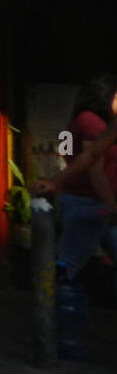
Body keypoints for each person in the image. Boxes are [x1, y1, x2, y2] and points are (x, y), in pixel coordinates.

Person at [54, 75, 117, 282]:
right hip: (90, 202)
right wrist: (109, 204)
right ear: (106, 96)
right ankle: (53, 307)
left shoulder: (78, 120)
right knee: (68, 264)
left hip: (88, 202)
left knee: (68, 262)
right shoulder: (92, 123)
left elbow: (64, 151)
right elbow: (94, 165)